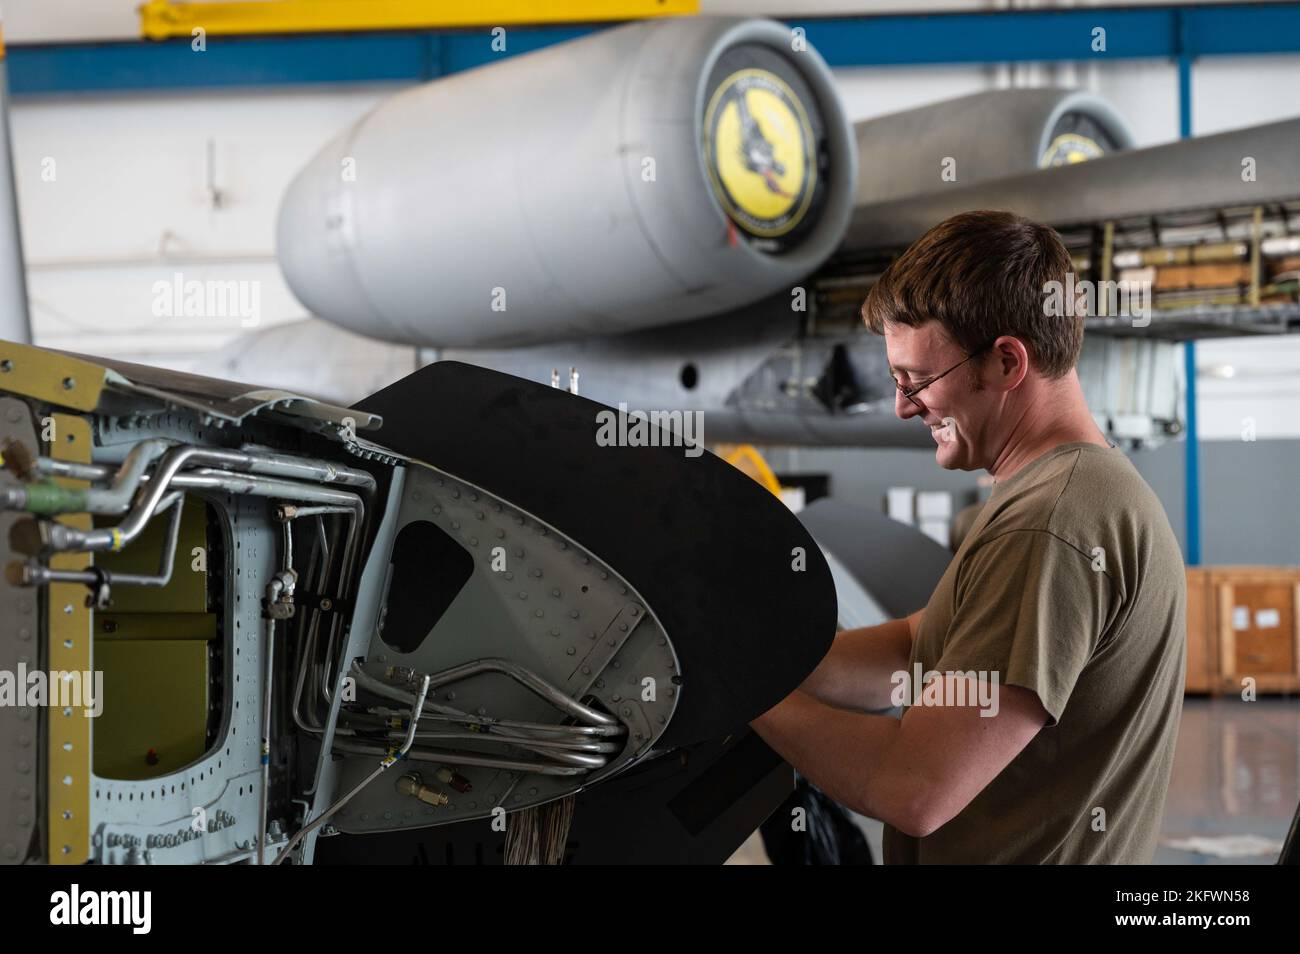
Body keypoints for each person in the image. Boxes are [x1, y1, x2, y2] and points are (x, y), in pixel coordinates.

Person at [750, 210, 1186, 863]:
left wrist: (742, 693)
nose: (903, 406)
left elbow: (915, 787)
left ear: (1007, 362)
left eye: (915, 380)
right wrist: (764, 652)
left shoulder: (1052, 523)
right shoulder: (1062, 494)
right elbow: (921, 650)